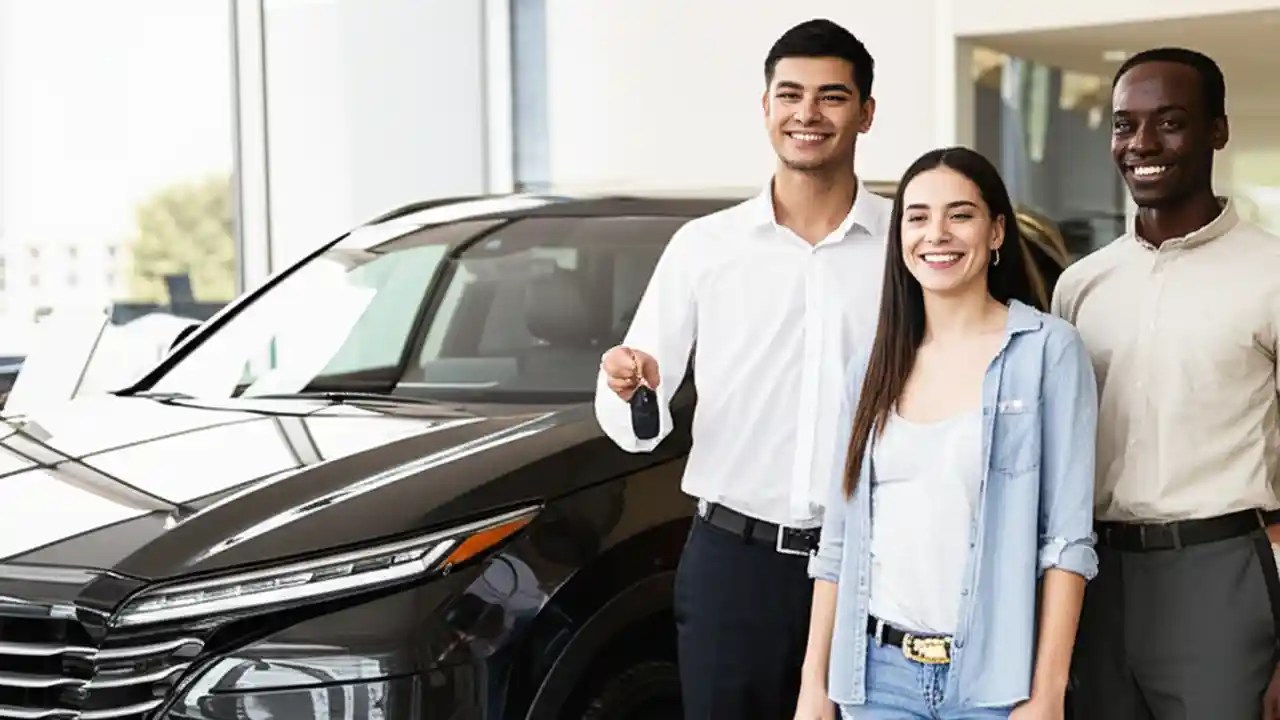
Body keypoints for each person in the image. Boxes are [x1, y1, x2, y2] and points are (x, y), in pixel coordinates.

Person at [594, 18, 893, 719]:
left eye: (831, 96)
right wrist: (628, 386)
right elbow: (636, 414)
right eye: (790, 95)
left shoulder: (905, 243)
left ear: (866, 113)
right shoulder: (705, 246)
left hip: (876, 563)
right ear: (765, 108)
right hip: (736, 564)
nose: (807, 113)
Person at [796, 146, 1099, 720]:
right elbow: (837, 543)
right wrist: (815, 685)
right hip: (876, 680)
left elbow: (1067, 542)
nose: (937, 233)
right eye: (918, 217)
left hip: (997, 683)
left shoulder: (1046, 351)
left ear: (996, 232)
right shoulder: (872, 366)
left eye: (960, 215)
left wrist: (1047, 693)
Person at [1050, 47, 1280, 720]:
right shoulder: (1080, 285)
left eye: (1170, 122)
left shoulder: (1270, 273)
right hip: (1096, 578)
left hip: (1222, 574)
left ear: (1217, 131)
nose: (1142, 144)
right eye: (1125, 125)